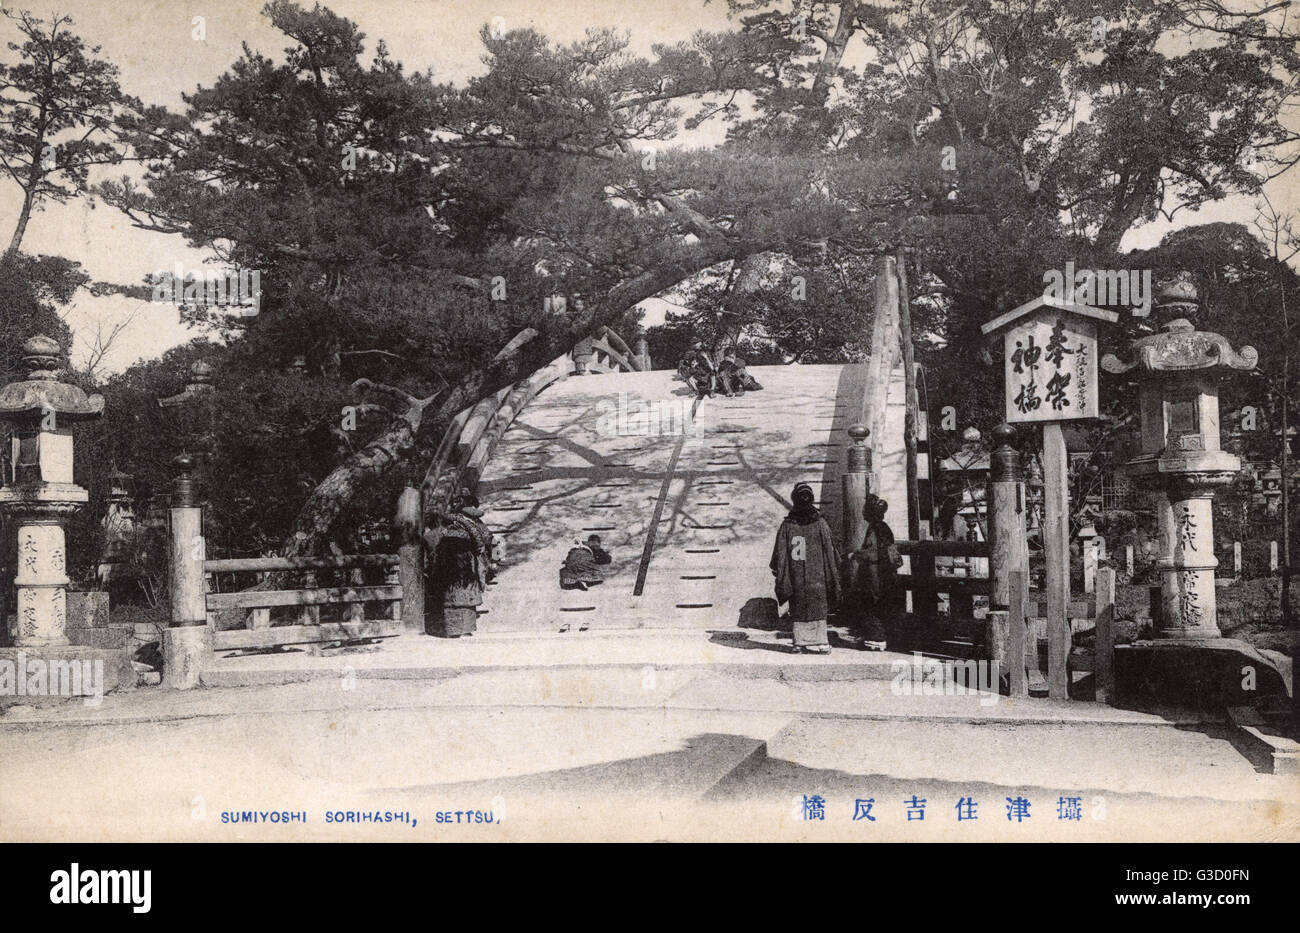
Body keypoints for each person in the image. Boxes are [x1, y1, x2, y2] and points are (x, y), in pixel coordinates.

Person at [770, 482, 841, 654]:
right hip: (818, 576)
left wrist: (780, 570)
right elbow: (832, 551)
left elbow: (779, 555)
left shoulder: (787, 525)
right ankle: (822, 643)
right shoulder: (820, 524)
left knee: (798, 606)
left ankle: (798, 643)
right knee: (819, 606)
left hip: (796, 575)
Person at [423, 490, 494, 637]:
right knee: (466, 593)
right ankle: (466, 629)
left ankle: (452, 629)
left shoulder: (442, 531)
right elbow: (481, 543)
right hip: (465, 564)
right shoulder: (471, 524)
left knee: (450, 594)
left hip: (449, 564)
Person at [846, 494, 904, 651]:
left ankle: (876, 638)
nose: (863, 512)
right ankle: (880, 636)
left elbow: (874, 552)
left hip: (876, 573)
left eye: (865, 509)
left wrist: (856, 554)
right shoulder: (883, 528)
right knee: (882, 602)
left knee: (871, 602)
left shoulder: (875, 530)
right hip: (885, 573)